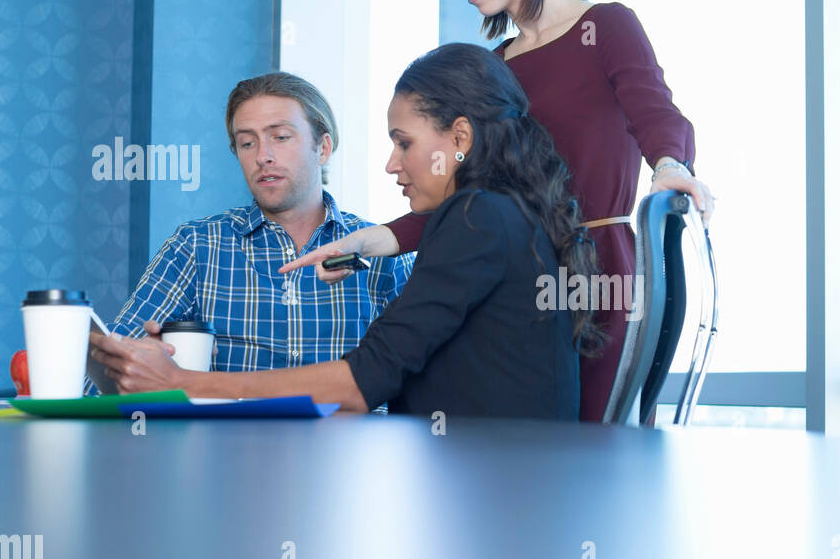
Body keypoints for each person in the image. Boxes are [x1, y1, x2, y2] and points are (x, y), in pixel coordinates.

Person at [286, 0, 714, 423]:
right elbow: (476, 192)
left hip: (598, 276)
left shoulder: (606, 27)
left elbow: (655, 112)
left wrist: (671, 166)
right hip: (518, 284)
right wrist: (377, 240)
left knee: (592, 453)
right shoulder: (495, 66)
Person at [91, 44, 595, 420]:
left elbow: (364, 380)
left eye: (404, 142)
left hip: (488, 495)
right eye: (246, 143)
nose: (392, 164)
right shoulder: (504, 215)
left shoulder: (474, 219)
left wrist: (184, 381)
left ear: (459, 138)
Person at [86, 72, 411, 396]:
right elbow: (100, 382)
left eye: (281, 137)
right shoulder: (197, 247)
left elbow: (424, 385)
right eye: (246, 142)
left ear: (323, 148)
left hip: (353, 445)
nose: (262, 156)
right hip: (231, 445)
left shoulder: (383, 256)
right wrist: (144, 365)